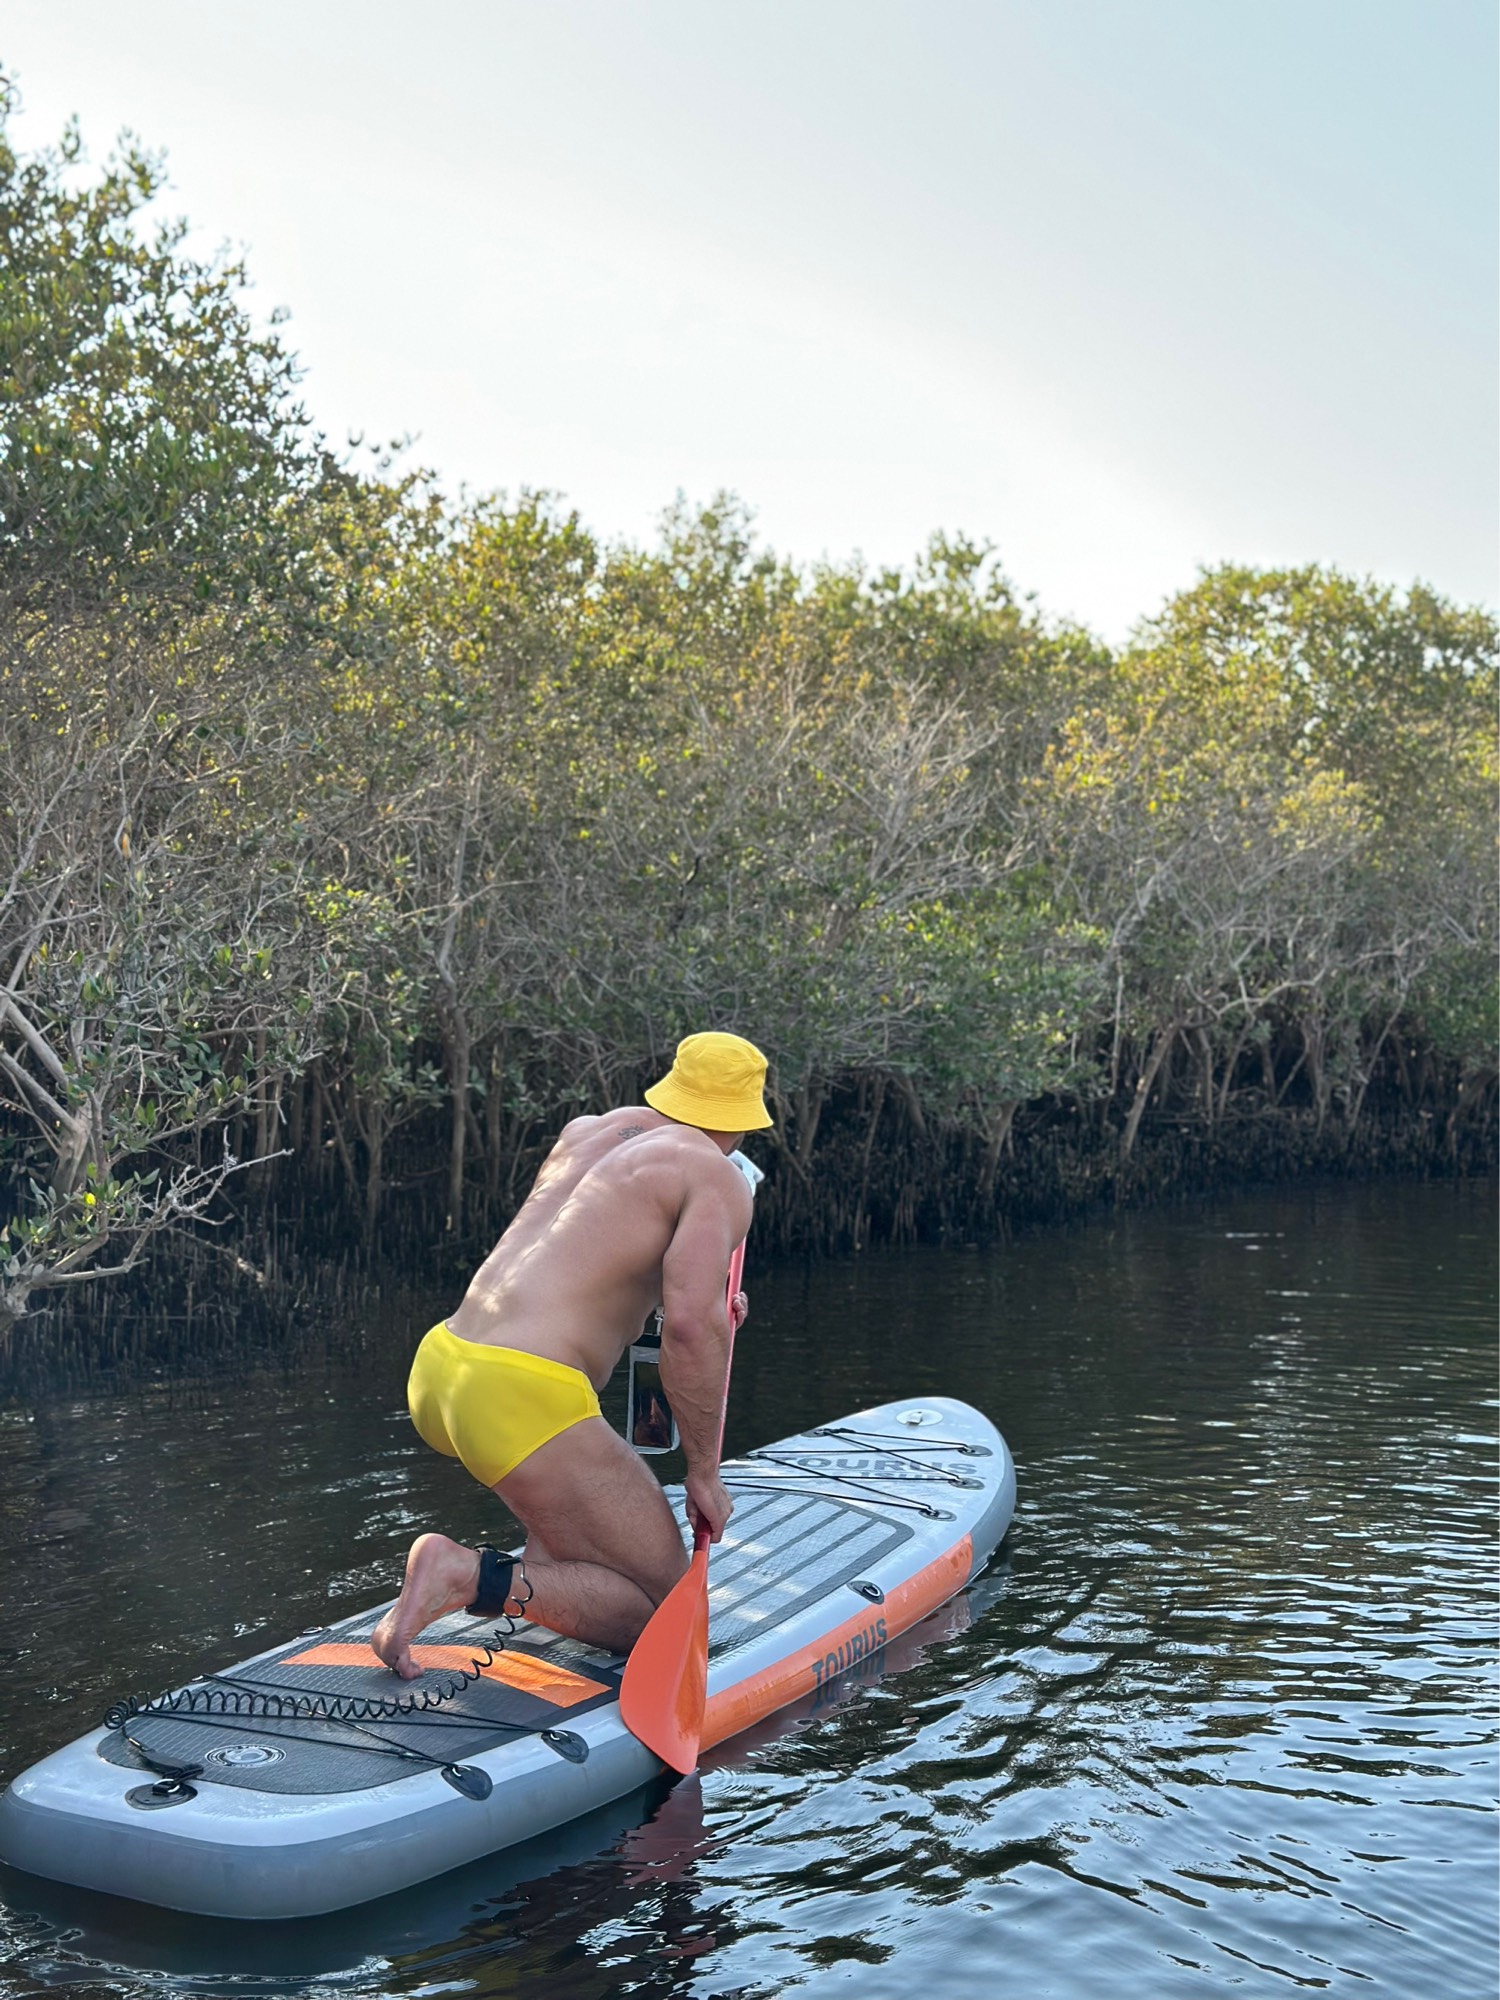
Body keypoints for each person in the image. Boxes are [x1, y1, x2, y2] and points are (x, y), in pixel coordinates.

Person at [370, 1030, 771, 1673]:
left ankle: (545, 1569)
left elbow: (591, 1273)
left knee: (585, 1530)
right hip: (518, 1394)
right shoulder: (717, 1176)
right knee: (668, 1614)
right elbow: (693, 1333)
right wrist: (702, 1472)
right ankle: (466, 1575)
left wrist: (690, 1310)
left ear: (674, 1087)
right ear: (744, 1121)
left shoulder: (591, 1131)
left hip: (445, 1363)